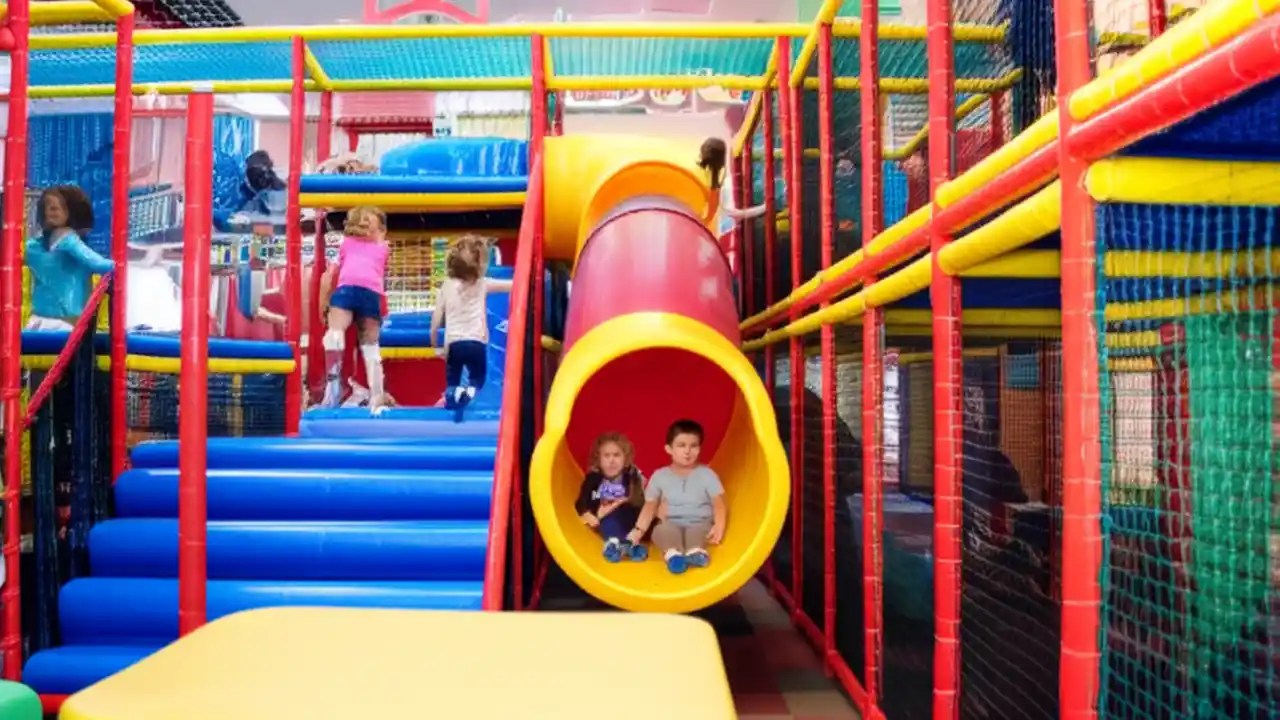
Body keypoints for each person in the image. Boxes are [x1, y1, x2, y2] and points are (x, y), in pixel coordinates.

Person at [429, 235, 513, 423]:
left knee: (452, 380)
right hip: (476, 343)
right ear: (480, 265)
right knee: (478, 378)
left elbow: (436, 319)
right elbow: (513, 286)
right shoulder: (483, 283)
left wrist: (435, 344)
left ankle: (454, 394)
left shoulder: (447, 286)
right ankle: (469, 391)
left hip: (454, 345)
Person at [626, 419, 726, 574]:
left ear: (700, 448)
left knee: (697, 533)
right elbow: (650, 506)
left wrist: (719, 526)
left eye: (694, 446)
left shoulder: (707, 474)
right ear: (669, 449)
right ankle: (673, 555)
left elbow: (718, 503)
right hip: (671, 522)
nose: (688, 451)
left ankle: (695, 553)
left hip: (700, 522)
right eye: (681, 445)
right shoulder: (660, 476)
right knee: (661, 531)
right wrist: (638, 531)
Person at [320, 206, 391, 415]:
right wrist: (383, 307)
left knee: (334, 337)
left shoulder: (346, 244)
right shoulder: (383, 246)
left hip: (346, 291)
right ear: (380, 230)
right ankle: (376, 397)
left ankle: (333, 388)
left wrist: (325, 303)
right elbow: (380, 278)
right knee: (371, 348)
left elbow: (329, 275)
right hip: (370, 294)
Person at [25, 185, 114, 330]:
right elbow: (105, 266)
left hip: (66, 324)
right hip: (41, 321)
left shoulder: (69, 244)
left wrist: (69, 241)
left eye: (55, 208)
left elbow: (103, 266)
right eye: (47, 207)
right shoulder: (35, 247)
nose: (51, 211)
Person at [575, 433, 649, 563]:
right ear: (598, 459)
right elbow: (582, 500)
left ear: (625, 459)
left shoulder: (631, 476)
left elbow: (639, 501)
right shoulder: (593, 479)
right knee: (610, 522)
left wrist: (638, 486)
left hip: (630, 517)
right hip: (605, 518)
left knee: (635, 515)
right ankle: (616, 545)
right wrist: (586, 513)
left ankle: (630, 544)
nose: (611, 460)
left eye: (616, 455)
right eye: (606, 456)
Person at [697, 137, 767, 240]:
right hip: (730, 233)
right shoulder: (726, 184)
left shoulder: (716, 180)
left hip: (721, 232)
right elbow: (735, 213)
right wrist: (764, 208)